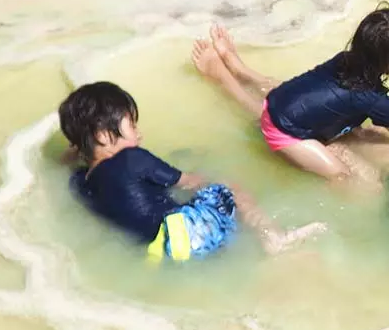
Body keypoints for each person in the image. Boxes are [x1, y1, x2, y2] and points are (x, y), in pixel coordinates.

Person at [58, 81, 323, 261]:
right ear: (104, 135)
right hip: (192, 231)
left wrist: (81, 145)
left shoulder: (81, 183)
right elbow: (188, 182)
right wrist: (205, 177)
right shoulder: (132, 159)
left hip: (162, 250)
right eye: (132, 126)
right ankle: (273, 237)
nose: (140, 134)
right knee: (227, 188)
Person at [192, 9, 389, 187]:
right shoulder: (376, 99)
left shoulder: (345, 59)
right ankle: (224, 78)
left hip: (281, 96)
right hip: (283, 131)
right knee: (343, 175)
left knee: (291, 96)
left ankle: (238, 67)